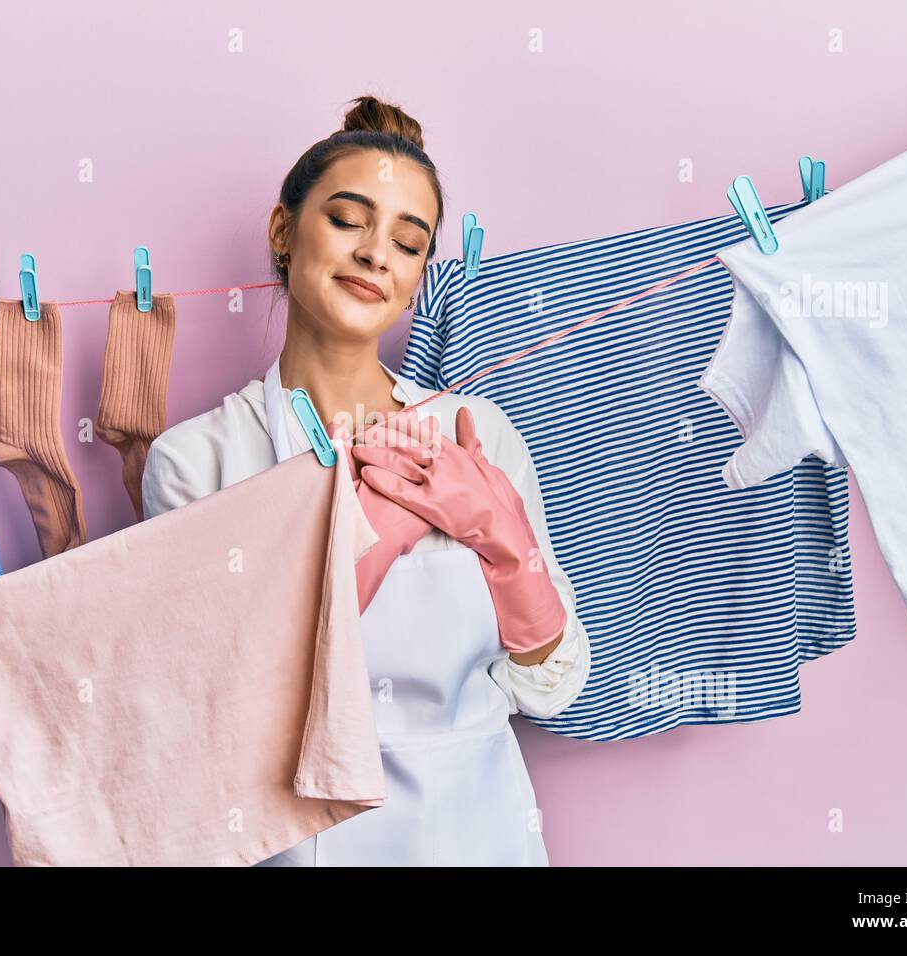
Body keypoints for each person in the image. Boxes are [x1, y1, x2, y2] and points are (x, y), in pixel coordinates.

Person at [142, 95, 590, 866]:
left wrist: (508, 548)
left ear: (417, 280)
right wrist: (369, 541)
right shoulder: (199, 459)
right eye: (349, 219)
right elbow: (218, 709)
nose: (377, 253)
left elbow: (554, 685)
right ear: (284, 233)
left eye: (408, 242)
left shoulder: (473, 435)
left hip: (482, 831)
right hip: (307, 837)